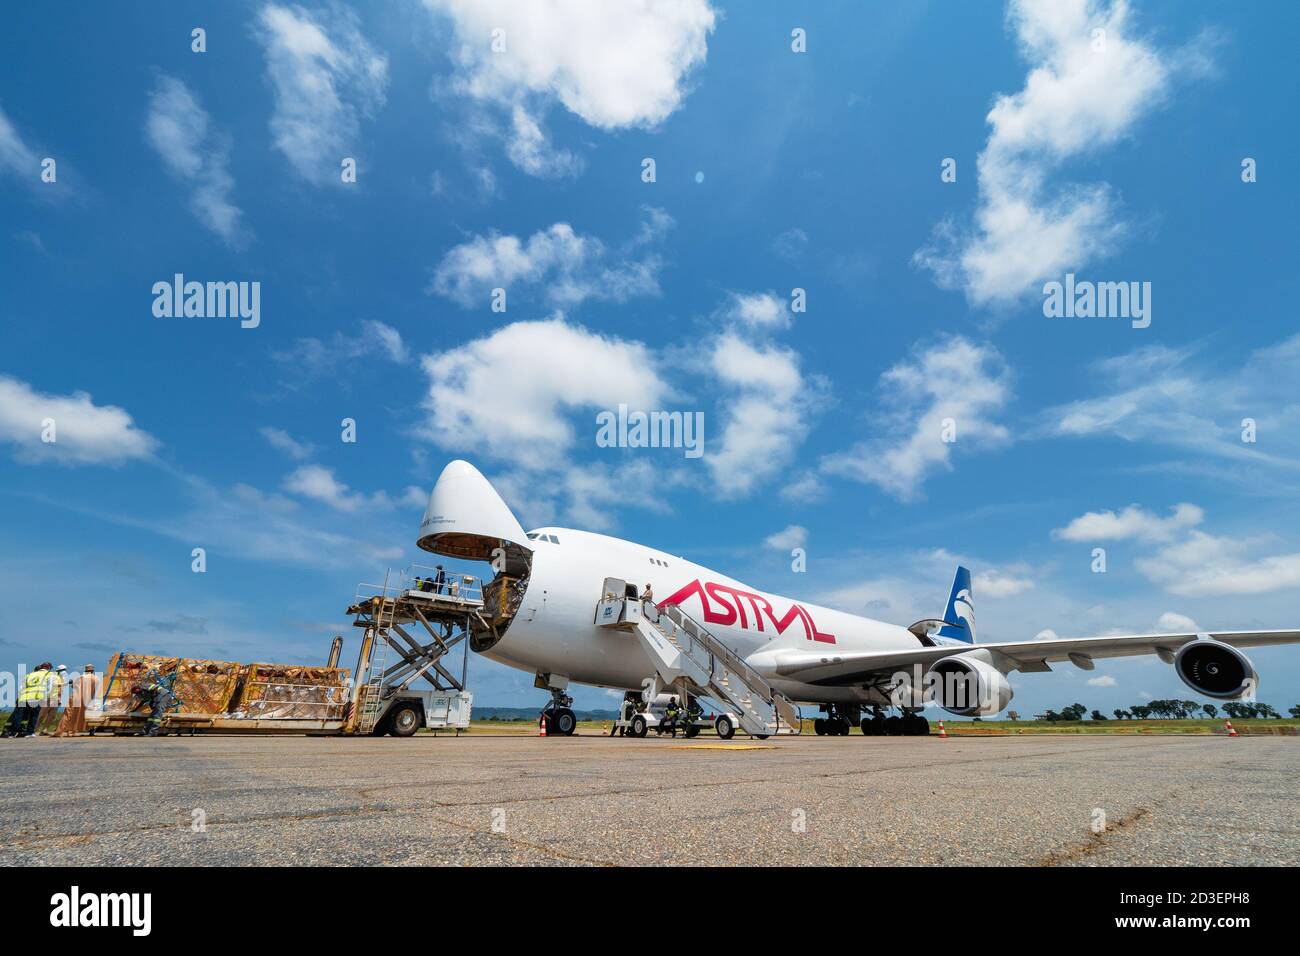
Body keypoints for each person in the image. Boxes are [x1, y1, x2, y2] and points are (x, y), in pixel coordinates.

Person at [3, 662, 53, 738]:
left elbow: (21, 687)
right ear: (48, 668)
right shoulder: (48, 674)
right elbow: (49, 688)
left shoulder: (29, 675)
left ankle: (12, 733)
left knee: (18, 716)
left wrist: (20, 697)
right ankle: (29, 733)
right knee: (33, 715)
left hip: (23, 697)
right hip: (37, 697)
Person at [55, 665, 99, 737]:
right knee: (79, 716)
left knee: (68, 714)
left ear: (85, 670)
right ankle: (72, 731)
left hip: (76, 697)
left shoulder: (81, 677)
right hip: (87, 699)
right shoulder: (96, 679)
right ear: (92, 671)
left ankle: (59, 732)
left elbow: (73, 686)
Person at [37, 664, 68, 735]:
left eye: (65, 670)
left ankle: (44, 730)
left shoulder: (60, 678)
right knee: (42, 715)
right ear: (58, 671)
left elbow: (60, 690)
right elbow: (55, 685)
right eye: (62, 671)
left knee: (51, 716)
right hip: (48, 698)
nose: (64, 672)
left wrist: (59, 698)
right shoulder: (53, 677)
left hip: (56, 699)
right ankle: (34, 729)